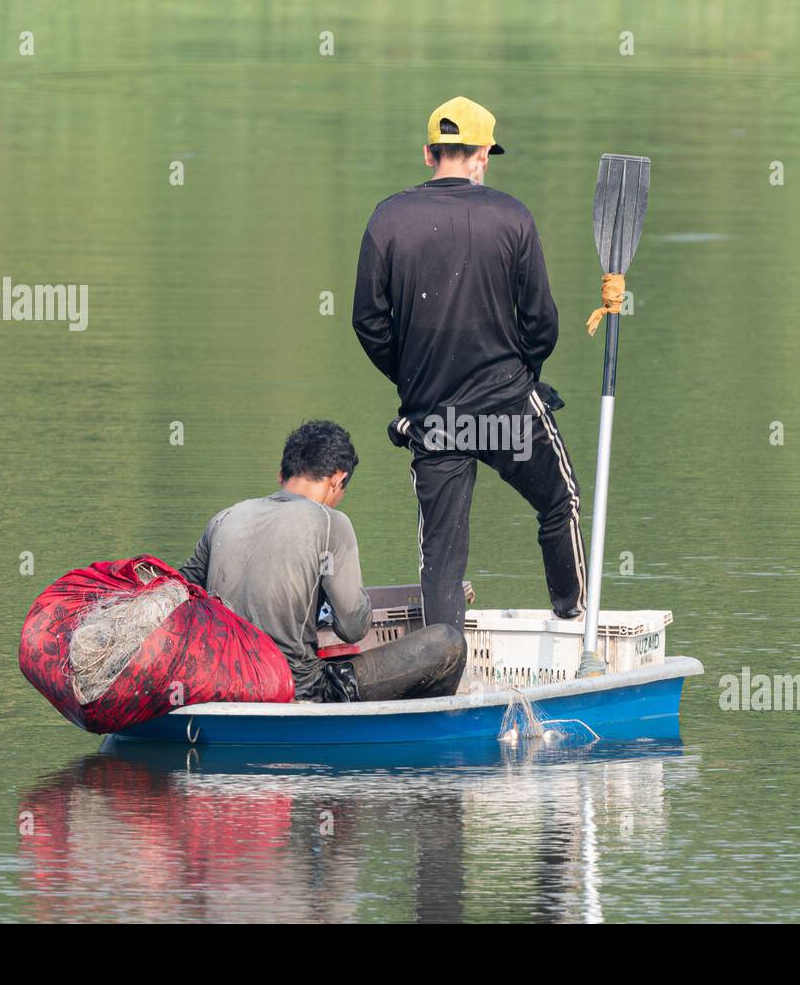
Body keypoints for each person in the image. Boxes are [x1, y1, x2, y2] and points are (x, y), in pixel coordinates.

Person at [352, 96, 586, 632]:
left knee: (441, 554)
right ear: (482, 154)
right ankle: (572, 618)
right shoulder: (512, 216)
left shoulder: (388, 219)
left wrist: (413, 372)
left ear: (429, 152)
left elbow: (369, 321)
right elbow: (542, 322)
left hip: (433, 416)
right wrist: (524, 374)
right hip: (509, 407)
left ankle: (441, 660)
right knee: (559, 502)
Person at [179, 420, 465, 702]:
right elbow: (352, 628)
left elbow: (181, 589)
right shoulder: (331, 522)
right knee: (447, 643)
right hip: (295, 683)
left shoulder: (225, 517)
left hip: (217, 678)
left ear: (281, 475)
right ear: (338, 479)